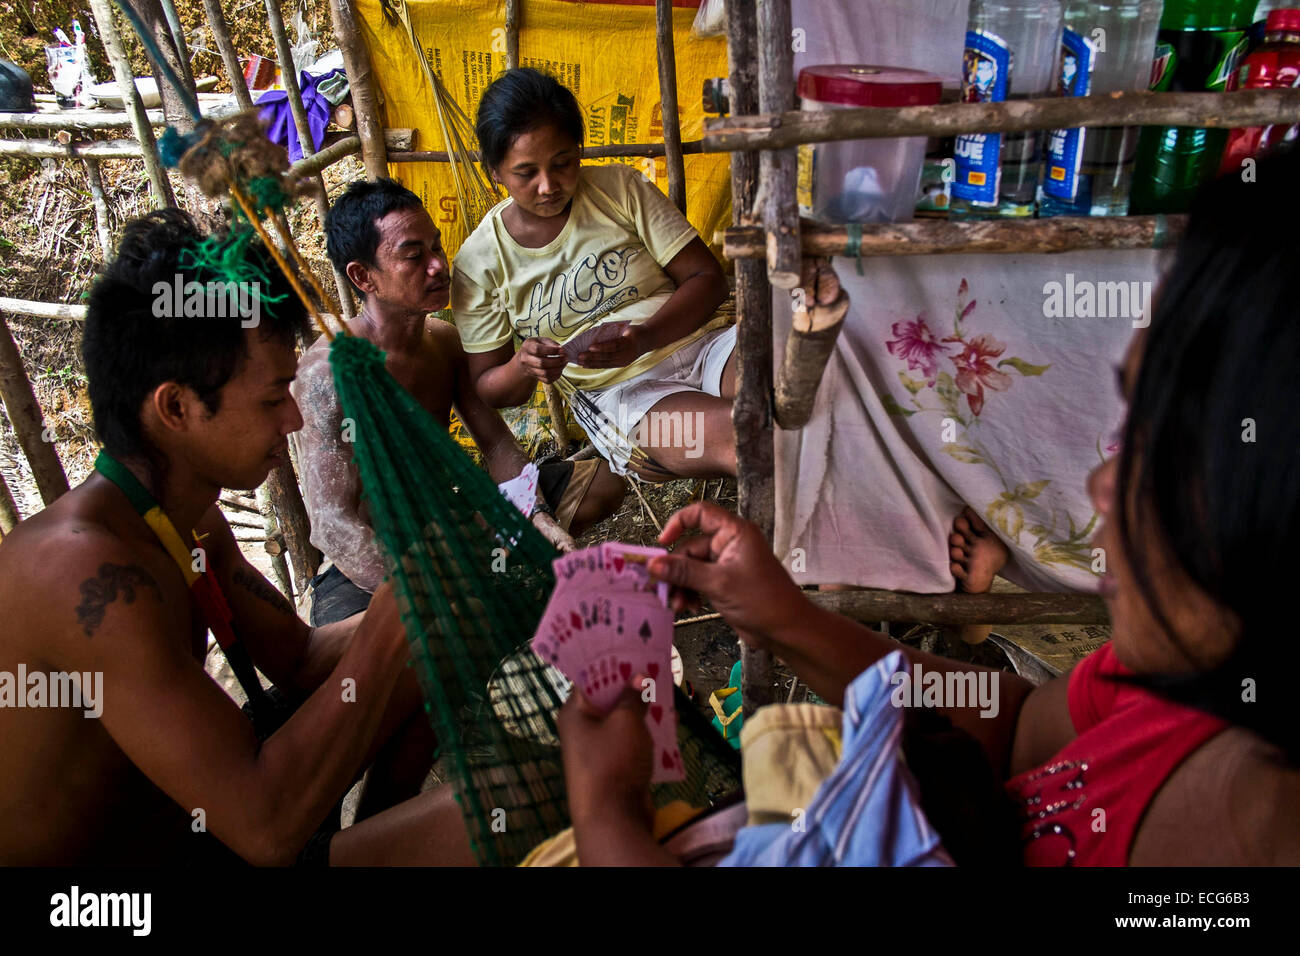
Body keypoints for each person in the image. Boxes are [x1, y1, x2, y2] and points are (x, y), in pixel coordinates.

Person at [556, 146, 1300, 866]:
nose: (1104, 483)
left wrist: (605, 817)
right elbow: (1017, 729)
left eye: (1166, 448)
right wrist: (783, 617)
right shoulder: (1174, 684)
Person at [0, 210, 475, 865]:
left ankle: (367, 835)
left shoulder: (183, 520)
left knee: (436, 652)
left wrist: (426, 597)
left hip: (195, 816)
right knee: (485, 823)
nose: (294, 417)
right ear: (175, 408)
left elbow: (302, 658)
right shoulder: (87, 576)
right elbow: (266, 829)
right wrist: (392, 621)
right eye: (273, 396)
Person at [295, 177, 625, 625]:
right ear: (362, 276)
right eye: (414, 256)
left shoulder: (445, 342)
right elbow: (333, 523)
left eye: (436, 247)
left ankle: (492, 578)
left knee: (602, 483)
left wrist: (538, 515)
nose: (437, 266)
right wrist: (427, 593)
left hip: (458, 523)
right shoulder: (328, 372)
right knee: (361, 646)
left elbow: (495, 445)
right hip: (378, 555)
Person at [451, 67, 735, 482]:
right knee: (742, 436)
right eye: (526, 173)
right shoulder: (479, 262)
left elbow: (707, 279)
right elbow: (491, 387)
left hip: (711, 342)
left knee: (792, 394)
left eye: (563, 163)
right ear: (493, 170)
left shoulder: (618, 188)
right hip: (625, 396)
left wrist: (645, 337)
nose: (549, 185)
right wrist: (523, 366)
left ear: (578, 150)